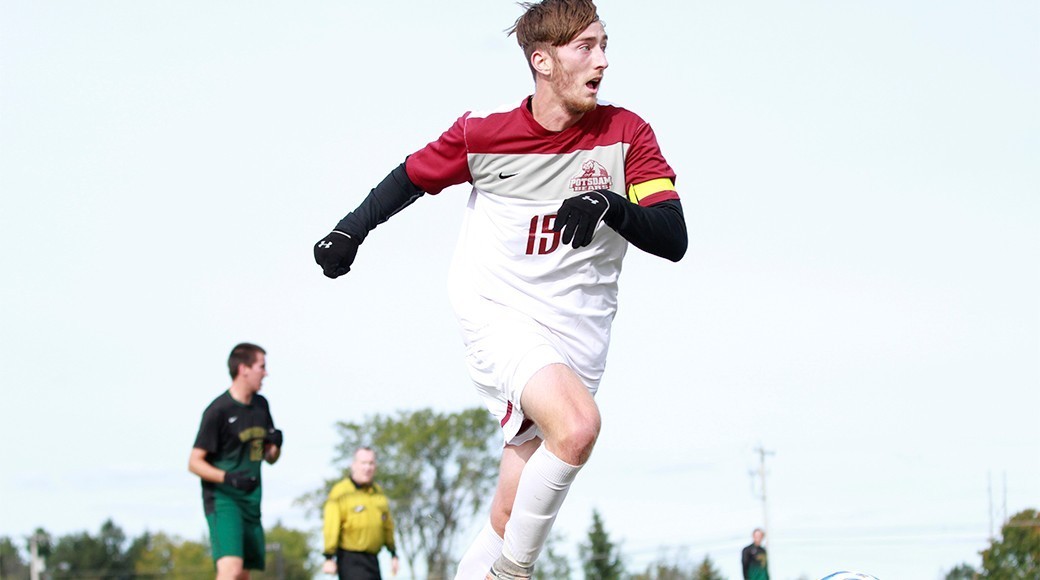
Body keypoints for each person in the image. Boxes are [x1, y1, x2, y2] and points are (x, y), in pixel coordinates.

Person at [313, 0, 687, 577]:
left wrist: (610, 204)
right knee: (580, 426)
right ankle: (513, 574)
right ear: (541, 60)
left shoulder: (626, 133)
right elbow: (410, 176)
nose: (603, 61)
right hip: (498, 314)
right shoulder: (484, 133)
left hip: (579, 337)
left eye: (605, 45)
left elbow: (672, 235)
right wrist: (350, 229)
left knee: (510, 511)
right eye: (586, 47)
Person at [188, 343, 283, 580]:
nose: (266, 373)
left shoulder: (261, 406)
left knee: (242, 574)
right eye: (262, 366)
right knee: (230, 570)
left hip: (251, 500)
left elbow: (269, 457)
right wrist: (228, 478)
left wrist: (276, 445)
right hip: (224, 498)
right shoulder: (218, 411)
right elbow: (194, 462)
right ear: (244, 369)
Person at [321, 447, 400, 579]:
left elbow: (387, 525)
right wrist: (329, 556)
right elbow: (331, 526)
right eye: (363, 463)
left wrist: (393, 554)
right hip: (350, 559)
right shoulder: (340, 492)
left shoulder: (377, 493)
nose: (367, 468)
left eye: (371, 463)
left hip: (373, 560)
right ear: (353, 465)